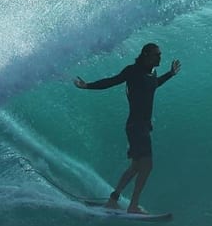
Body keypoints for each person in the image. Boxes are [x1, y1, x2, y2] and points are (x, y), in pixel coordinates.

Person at [73, 43, 181, 213]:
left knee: (137, 166)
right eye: (156, 54)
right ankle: (133, 205)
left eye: (160, 54)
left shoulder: (152, 73)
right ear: (146, 55)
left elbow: (154, 85)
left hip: (142, 126)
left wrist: (171, 74)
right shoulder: (133, 71)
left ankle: (113, 200)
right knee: (147, 166)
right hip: (136, 126)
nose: (160, 57)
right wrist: (88, 86)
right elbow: (112, 81)